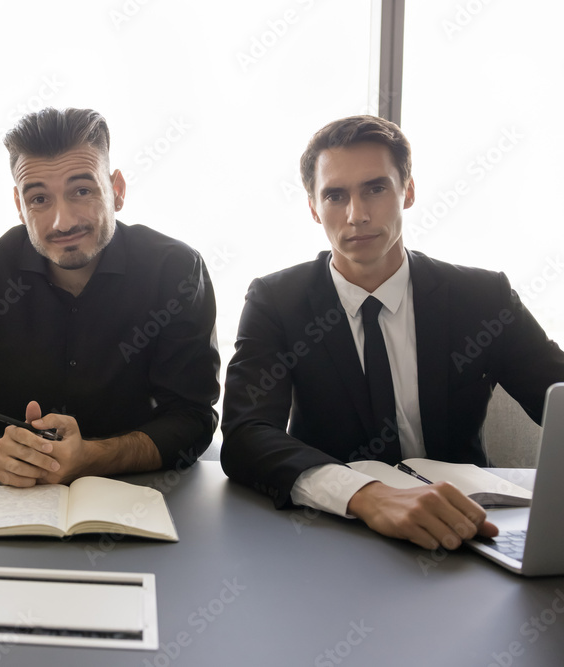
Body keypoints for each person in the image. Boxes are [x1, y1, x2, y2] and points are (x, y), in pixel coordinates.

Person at [221, 115, 564, 550]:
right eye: (335, 195)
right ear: (313, 207)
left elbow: (556, 394)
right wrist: (366, 497)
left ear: (409, 190)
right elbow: (246, 434)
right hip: (331, 531)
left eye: (376, 188)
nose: (357, 215)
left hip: (467, 528)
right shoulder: (276, 301)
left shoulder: (482, 298)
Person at [0, 107, 220, 486]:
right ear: (19, 207)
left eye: (82, 191)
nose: (64, 222)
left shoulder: (175, 270)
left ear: (117, 191)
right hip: (11, 492)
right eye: (39, 199)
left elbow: (193, 417)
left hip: (141, 490)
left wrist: (94, 457)